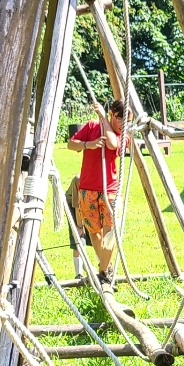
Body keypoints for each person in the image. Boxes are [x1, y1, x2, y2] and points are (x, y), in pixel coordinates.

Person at [67, 99, 130, 284]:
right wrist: (89, 144)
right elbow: (71, 144)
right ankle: (105, 267)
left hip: (110, 190)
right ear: (112, 114)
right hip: (87, 189)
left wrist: (104, 118)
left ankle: (103, 273)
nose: (122, 124)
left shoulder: (125, 135)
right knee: (94, 233)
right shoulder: (92, 126)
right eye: (119, 118)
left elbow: (111, 144)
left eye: (126, 120)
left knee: (110, 233)